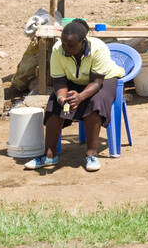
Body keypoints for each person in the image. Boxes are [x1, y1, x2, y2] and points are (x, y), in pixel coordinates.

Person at [24, 19, 124, 172]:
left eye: (70, 45)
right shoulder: (58, 50)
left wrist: (81, 97)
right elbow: (59, 81)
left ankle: (91, 154)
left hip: (104, 79)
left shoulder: (98, 48)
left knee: (95, 103)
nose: (66, 48)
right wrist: (61, 98)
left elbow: (96, 83)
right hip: (74, 80)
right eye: (63, 43)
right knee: (53, 105)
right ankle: (49, 155)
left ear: (83, 42)